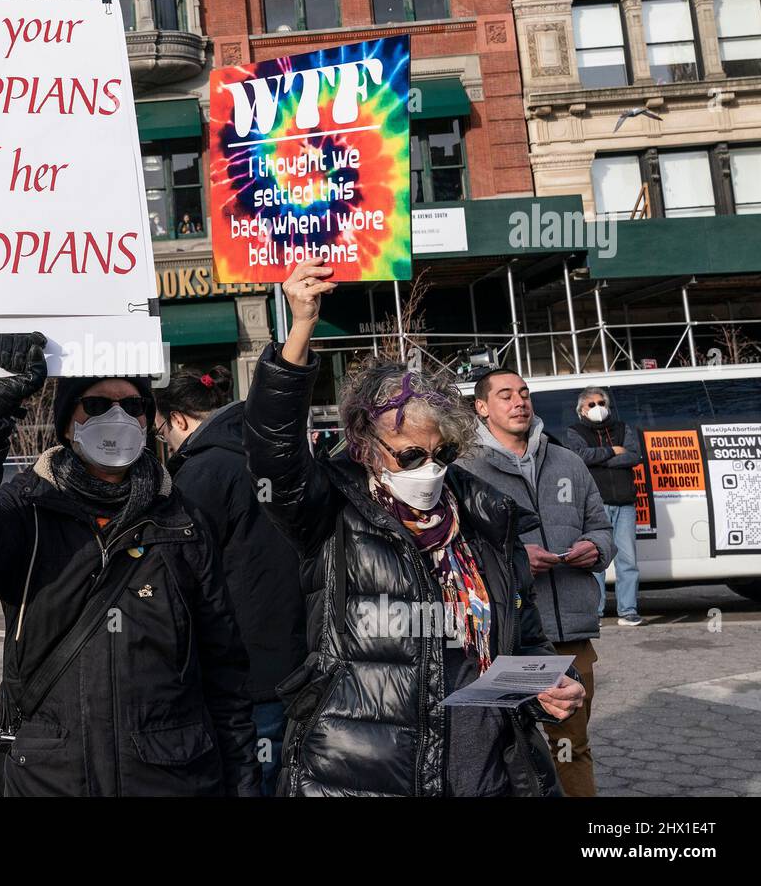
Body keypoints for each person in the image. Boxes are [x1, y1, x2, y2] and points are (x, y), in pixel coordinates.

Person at [244, 262, 584, 797]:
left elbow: (525, 641)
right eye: (408, 455)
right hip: (367, 774)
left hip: (488, 773)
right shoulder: (332, 513)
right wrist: (300, 330)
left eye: (442, 452)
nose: (429, 468)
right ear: (365, 446)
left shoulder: (486, 519)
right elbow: (274, 451)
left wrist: (548, 687)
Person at [0, 333, 260, 796]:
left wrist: (242, 783)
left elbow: (224, 672)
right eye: (97, 406)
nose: (118, 418)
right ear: (67, 424)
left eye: (134, 406)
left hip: (172, 778)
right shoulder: (29, 511)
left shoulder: (182, 520)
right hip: (51, 778)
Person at [457, 367, 615, 798]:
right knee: (502, 752)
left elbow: (602, 528)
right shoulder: (464, 469)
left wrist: (595, 549)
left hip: (570, 638)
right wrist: (513, 560)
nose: (519, 401)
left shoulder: (568, 460)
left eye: (524, 393)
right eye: (505, 395)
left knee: (569, 748)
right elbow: (454, 556)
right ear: (481, 407)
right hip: (503, 641)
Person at [155, 366, 305, 796]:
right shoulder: (264, 451)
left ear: (179, 419)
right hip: (295, 657)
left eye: (163, 431)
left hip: (243, 670)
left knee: (247, 780)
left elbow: (183, 574)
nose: (166, 442)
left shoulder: (201, 472)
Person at [562, 387, 643, 626]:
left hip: (625, 503)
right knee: (595, 560)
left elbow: (634, 456)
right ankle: (594, 613)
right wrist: (612, 451)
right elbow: (580, 456)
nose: (598, 407)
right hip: (595, 505)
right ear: (581, 411)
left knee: (627, 560)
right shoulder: (575, 431)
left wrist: (600, 459)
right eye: (591, 404)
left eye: (601, 402)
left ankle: (628, 611)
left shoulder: (622, 428)